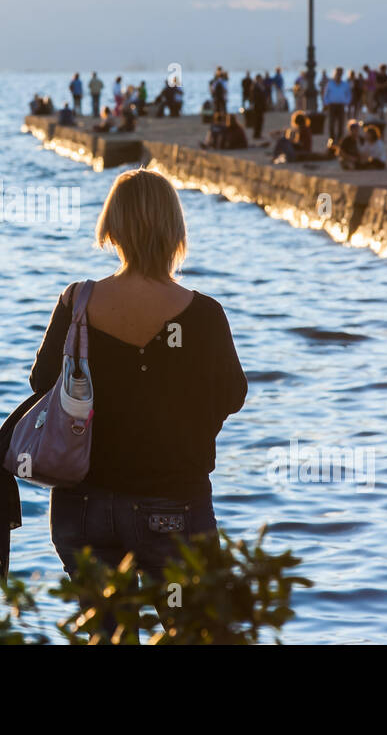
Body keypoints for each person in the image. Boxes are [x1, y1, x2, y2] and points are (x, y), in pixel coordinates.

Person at [30, 170, 247, 586]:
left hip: (84, 505)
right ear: (175, 230)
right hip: (176, 502)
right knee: (193, 632)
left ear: (111, 228)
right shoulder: (203, 315)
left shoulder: (77, 302)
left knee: (105, 632)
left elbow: (43, 384)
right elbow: (232, 395)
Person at [323, 66, 351, 144]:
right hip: (332, 105)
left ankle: (339, 139)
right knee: (331, 123)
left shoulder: (345, 84)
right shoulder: (330, 83)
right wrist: (327, 102)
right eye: (338, 73)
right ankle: (332, 138)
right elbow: (326, 94)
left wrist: (346, 101)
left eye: (340, 73)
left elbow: (349, 94)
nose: (339, 75)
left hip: (341, 105)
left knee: (341, 123)